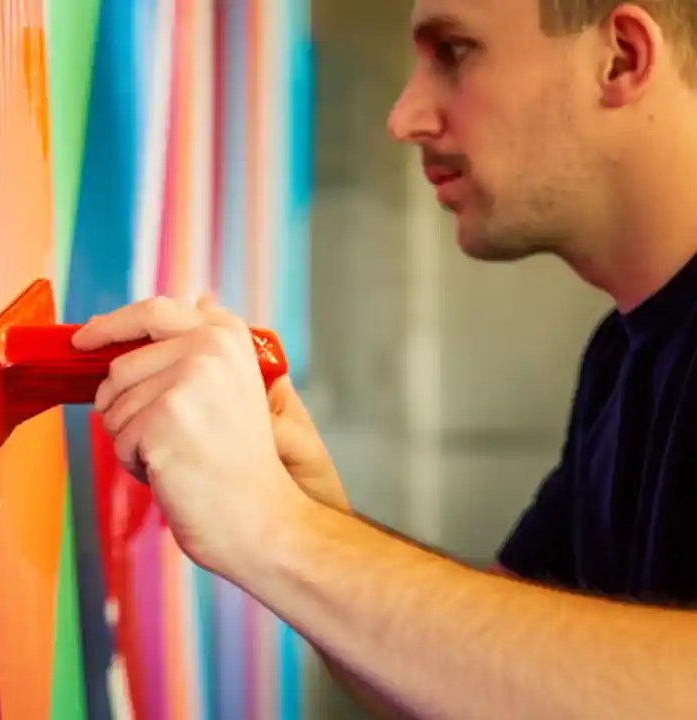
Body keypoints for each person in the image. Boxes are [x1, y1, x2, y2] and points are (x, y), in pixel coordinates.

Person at [69, 0, 697, 717]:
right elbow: (481, 686)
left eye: (454, 52)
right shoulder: (621, 355)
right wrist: (310, 512)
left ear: (620, 59)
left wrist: (279, 532)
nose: (404, 118)